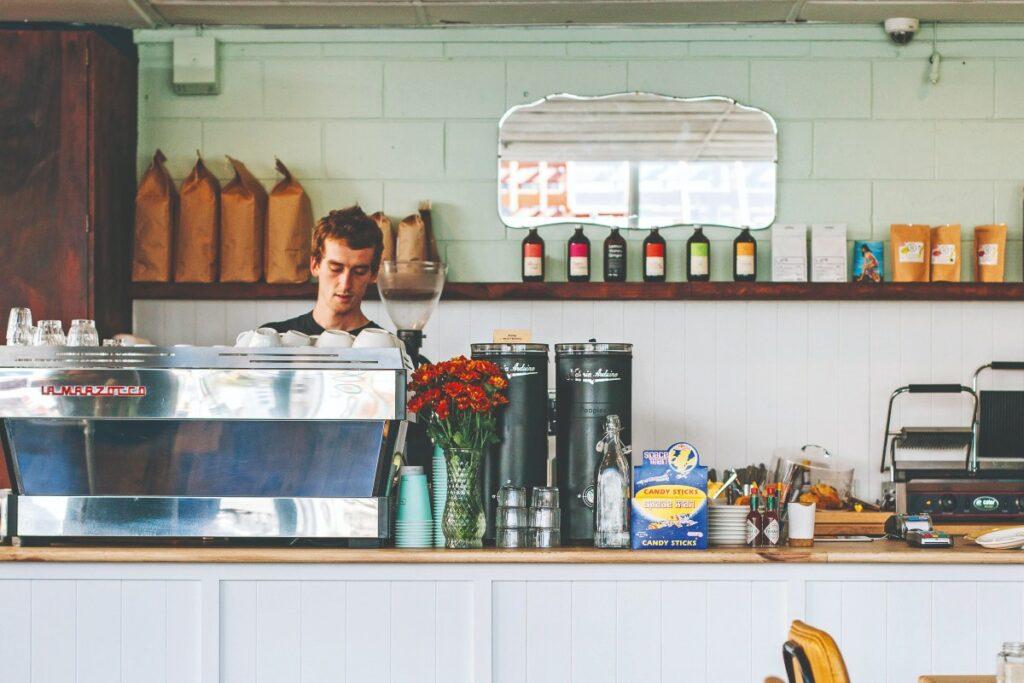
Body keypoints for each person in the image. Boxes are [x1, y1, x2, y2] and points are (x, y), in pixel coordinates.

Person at [263, 205, 383, 336]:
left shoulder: (389, 349)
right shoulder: (273, 337)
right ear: (315, 265)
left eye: (359, 271)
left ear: (374, 274)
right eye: (336, 269)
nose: (345, 284)